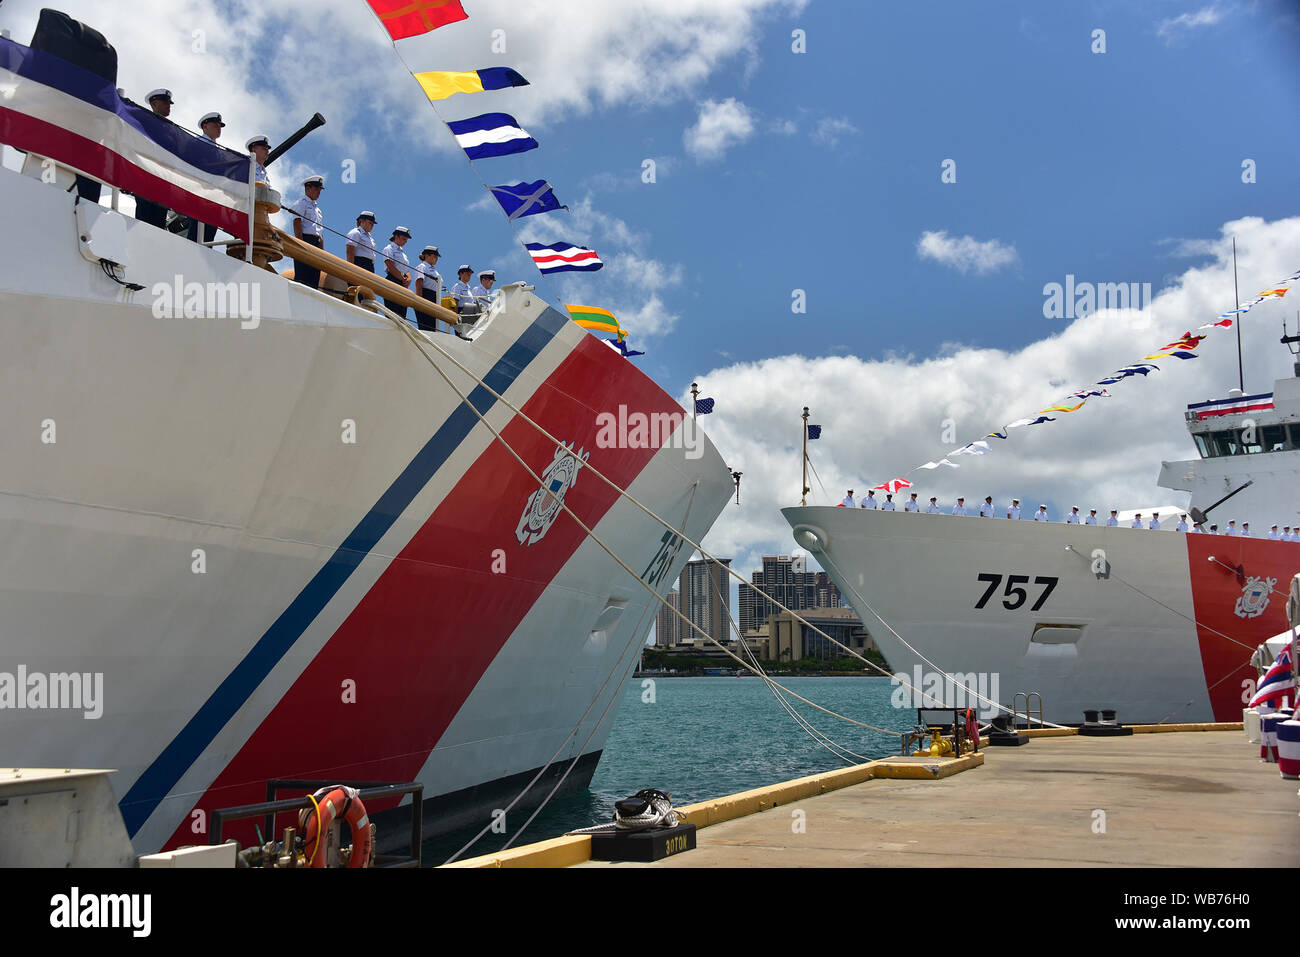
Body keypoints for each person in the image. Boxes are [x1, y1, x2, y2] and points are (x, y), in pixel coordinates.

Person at [134, 89, 173, 228]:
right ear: (154, 104)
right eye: (165, 102)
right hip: (145, 179)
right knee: (143, 222)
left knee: (159, 224)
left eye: (169, 103)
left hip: (163, 181)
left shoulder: (172, 130)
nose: (169, 105)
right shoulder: (143, 124)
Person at [188, 111, 226, 243]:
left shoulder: (220, 151)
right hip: (199, 193)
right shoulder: (196, 144)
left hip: (214, 197)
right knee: (196, 231)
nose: (218, 128)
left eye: (220, 125)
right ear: (205, 126)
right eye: (215, 124)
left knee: (209, 235)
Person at [290, 174, 326, 288]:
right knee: (303, 277)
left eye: (320, 190)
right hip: (306, 240)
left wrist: (322, 251)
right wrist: (301, 244)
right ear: (308, 188)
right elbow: (297, 222)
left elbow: (320, 231)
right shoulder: (301, 203)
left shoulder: (318, 210)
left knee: (314, 277)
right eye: (316, 189)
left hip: (316, 243)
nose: (319, 192)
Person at [381, 226, 414, 323]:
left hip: (402, 282)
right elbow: (390, 265)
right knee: (392, 312)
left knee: (402, 314)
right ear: (396, 236)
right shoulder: (389, 248)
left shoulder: (403, 254)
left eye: (406, 240)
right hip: (393, 279)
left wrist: (409, 279)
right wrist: (402, 278)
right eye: (404, 239)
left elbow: (407, 270)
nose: (405, 242)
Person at [413, 245, 444, 332]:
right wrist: (420, 301)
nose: (436, 259)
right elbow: (419, 283)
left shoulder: (434, 270)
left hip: (434, 298)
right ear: (427, 255)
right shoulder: (422, 266)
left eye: (437, 257)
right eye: (434, 256)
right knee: (426, 328)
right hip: (426, 295)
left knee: (433, 327)